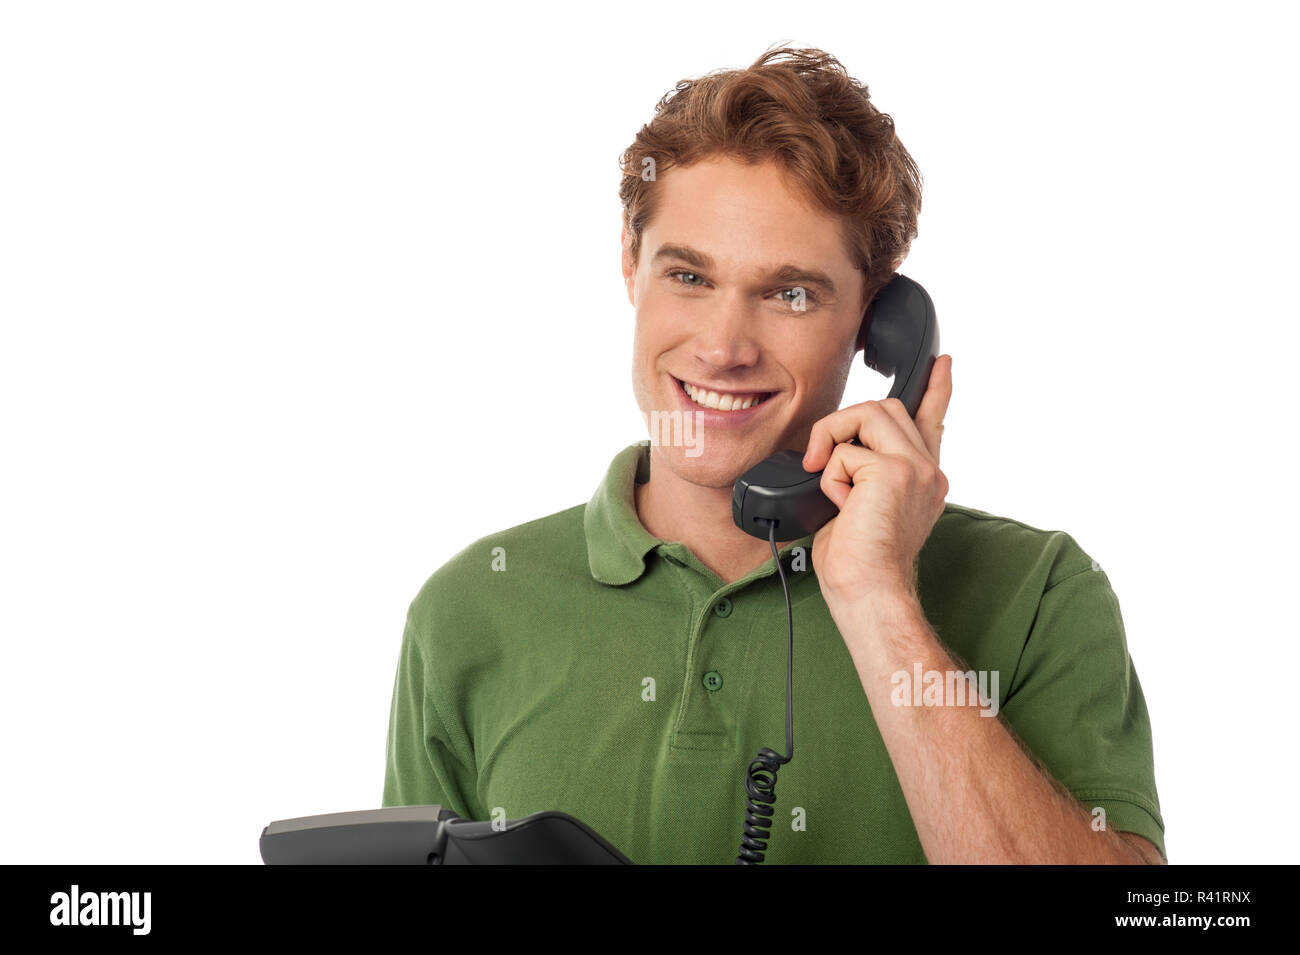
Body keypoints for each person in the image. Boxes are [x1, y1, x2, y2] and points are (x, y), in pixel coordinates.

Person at [382, 46, 1166, 864]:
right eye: (688, 275)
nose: (723, 348)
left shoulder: (1037, 592)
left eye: (789, 293)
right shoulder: (469, 611)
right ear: (629, 262)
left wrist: (877, 601)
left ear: (877, 321)